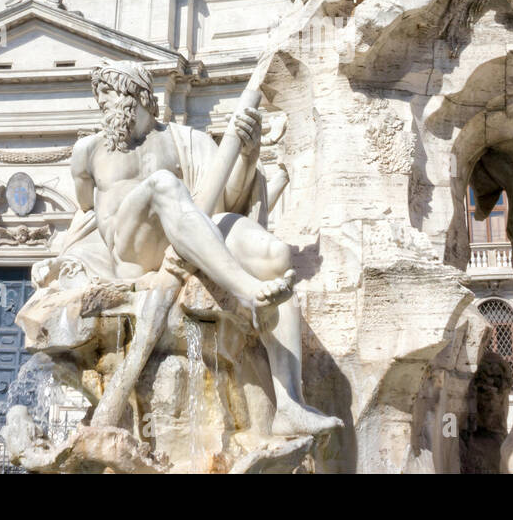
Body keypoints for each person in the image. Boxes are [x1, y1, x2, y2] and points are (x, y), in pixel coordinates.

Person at [46, 60, 342, 436]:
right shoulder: (88, 151)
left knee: (276, 259)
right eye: (98, 94)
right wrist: (66, 263)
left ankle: (289, 404)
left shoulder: (183, 139)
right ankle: (247, 292)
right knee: (163, 184)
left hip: (186, 236)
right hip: (133, 253)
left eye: (108, 91)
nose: (100, 101)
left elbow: (222, 202)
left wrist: (248, 155)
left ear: (136, 95)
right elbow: (85, 213)